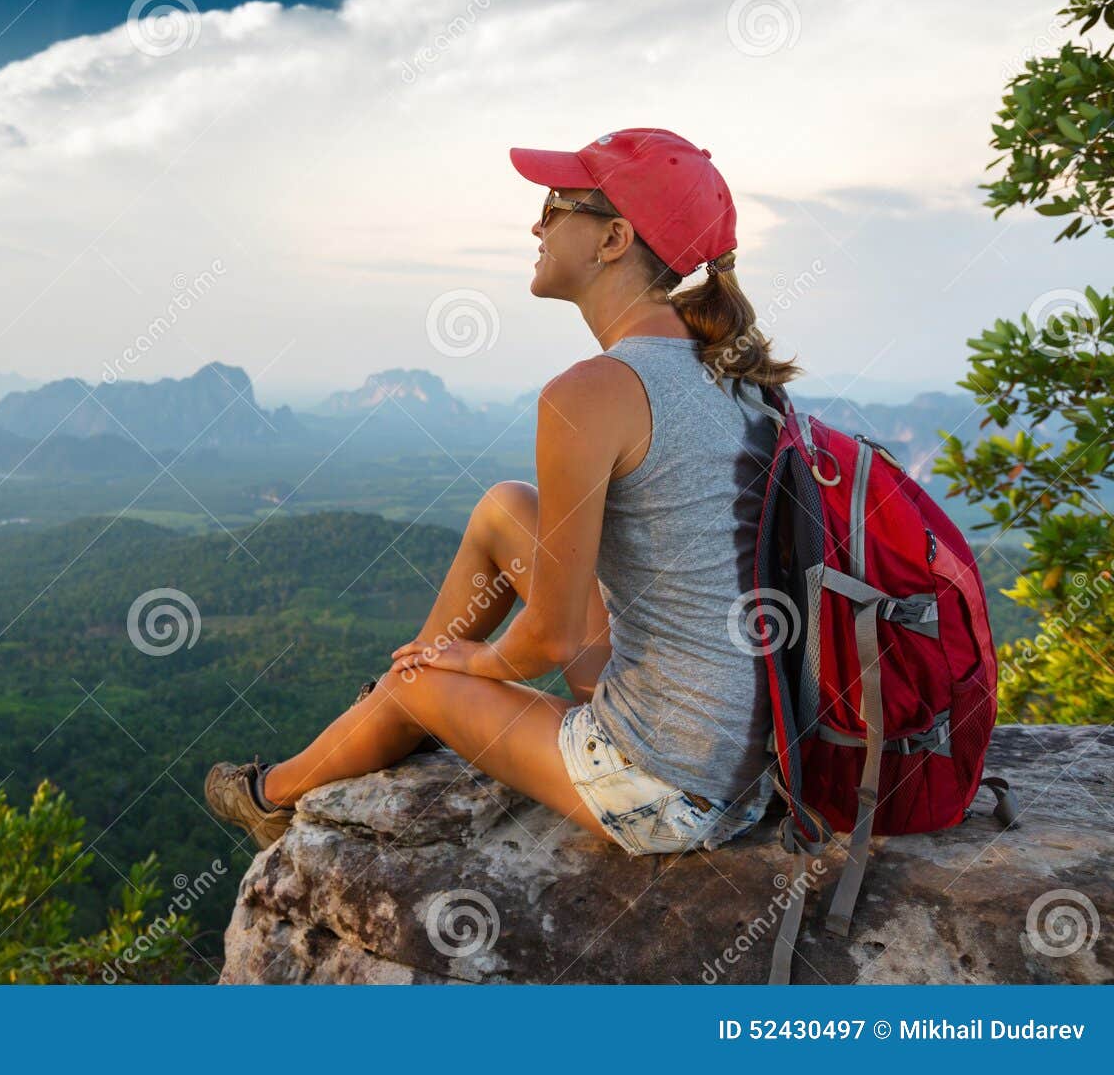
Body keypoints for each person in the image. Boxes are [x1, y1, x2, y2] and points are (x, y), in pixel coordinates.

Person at [205, 127, 798, 859]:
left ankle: (275, 793)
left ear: (613, 238)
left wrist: (466, 664)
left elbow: (549, 635)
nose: (536, 223)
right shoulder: (736, 375)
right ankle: (396, 702)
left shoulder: (592, 392)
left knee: (422, 678)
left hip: (671, 785)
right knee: (506, 509)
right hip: (741, 753)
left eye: (556, 205)